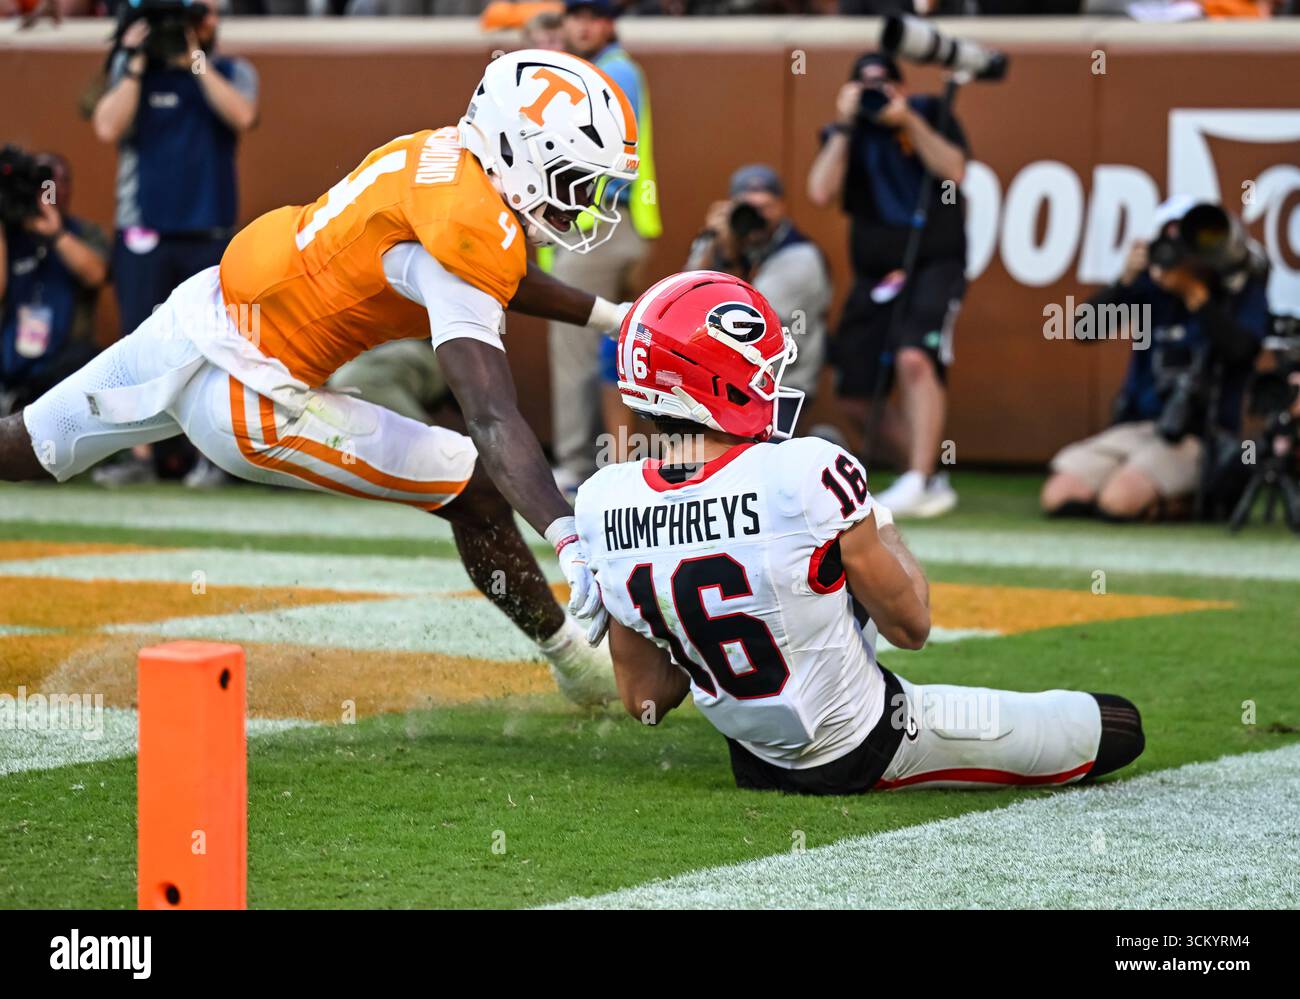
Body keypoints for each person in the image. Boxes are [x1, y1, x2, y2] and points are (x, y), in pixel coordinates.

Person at [0, 49, 643, 706]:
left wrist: (610, 316)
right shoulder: (461, 237)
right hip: (254, 399)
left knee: (25, 444)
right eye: (573, 177)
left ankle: (572, 659)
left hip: (205, 313)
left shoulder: (445, 154)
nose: (585, 200)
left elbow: (499, 270)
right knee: (475, 486)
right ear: (517, 152)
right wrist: (564, 534)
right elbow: (490, 411)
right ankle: (577, 662)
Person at [574, 272, 1145, 794]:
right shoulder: (804, 471)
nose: (771, 384)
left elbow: (646, 699)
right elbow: (912, 626)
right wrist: (873, 517)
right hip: (867, 739)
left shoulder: (602, 500)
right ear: (724, 383)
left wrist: (655, 610)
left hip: (752, 757)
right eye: (762, 370)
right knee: (1119, 725)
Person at [91, 2, 258, 485]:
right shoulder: (133, 73)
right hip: (143, 229)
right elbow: (106, 126)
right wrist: (137, 63)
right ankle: (140, 455)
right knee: (138, 345)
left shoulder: (229, 69)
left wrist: (194, 60)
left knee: (214, 347)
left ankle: (217, 457)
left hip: (209, 230)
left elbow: (243, 115)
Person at [807, 52, 969, 519]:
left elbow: (954, 171)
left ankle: (918, 478)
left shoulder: (931, 113)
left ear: (901, 87)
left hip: (933, 261)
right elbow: (820, 191)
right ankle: (924, 474)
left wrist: (910, 124)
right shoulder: (847, 133)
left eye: (884, 85)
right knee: (854, 392)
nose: (876, 95)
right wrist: (843, 126)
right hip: (875, 273)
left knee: (915, 357)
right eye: (865, 86)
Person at [1041, 200, 1268, 522]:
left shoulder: (1235, 292)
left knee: (1118, 502)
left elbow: (1243, 351)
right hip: (1139, 426)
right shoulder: (1151, 288)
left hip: (1198, 436)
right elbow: (1084, 329)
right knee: (1060, 495)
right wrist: (1124, 281)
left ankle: (1200, 501)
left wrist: (1197, 298)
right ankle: (1137, 488)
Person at [546, 0, 661, 496]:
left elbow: (609, 153)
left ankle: (575, 467)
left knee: (574, 348)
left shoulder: (609, 72)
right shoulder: (612, 69)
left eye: (594, 15)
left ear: (610, 22)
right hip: (624, 228)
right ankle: (628, 465)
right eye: (577, 14)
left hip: (597, 228)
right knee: (623, 352)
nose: (584, 24)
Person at [685, 163, 831, 434]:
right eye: (746, 208)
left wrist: (729, 261)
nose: (755, 217)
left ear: (782, 206)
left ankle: (820, 444)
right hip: (719, 380)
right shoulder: (724, 241)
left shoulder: (801, 256)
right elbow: (684, 301)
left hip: (778, 384)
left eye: (764, 208)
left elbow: (748, 327)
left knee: (751, 457)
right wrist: (713, 243)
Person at [0, 153, 110, 416]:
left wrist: (57, 235)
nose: (50, 190)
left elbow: (95, 274)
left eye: (56, 182)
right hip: (10, 358)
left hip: (62, 365)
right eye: (42, 183)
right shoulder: (9, 237)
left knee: (90, 359)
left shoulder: (84, 233)